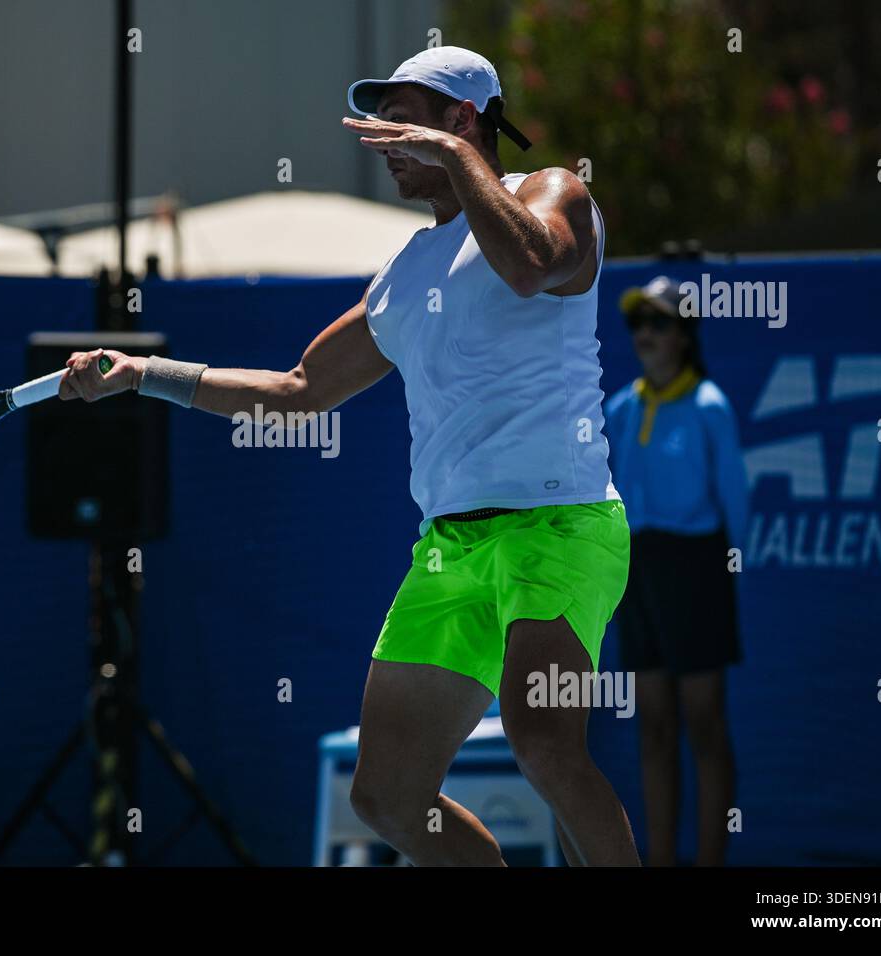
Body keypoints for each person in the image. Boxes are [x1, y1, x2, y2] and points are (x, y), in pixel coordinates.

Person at [57, 46, 638, 866]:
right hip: (450, 551)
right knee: (387, 796)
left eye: (403, 122)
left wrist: (459, 160)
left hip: (563, 527)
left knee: (545, 743)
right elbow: (298, 389)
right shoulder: (404, 275)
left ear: (462, 121)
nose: (387, 142)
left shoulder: (551, 194)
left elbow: (531, 266)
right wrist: (145, 375)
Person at [603, 275, 748, 866]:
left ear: (684, 336)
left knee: (704, 724)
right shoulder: (619, 405)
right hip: (638, 573)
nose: (645, 334)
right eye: (638, 323)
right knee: (655, 725)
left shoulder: (711, 407)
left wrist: (721, 575)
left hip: (697, 569)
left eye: (659, 323)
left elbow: (735, 503)